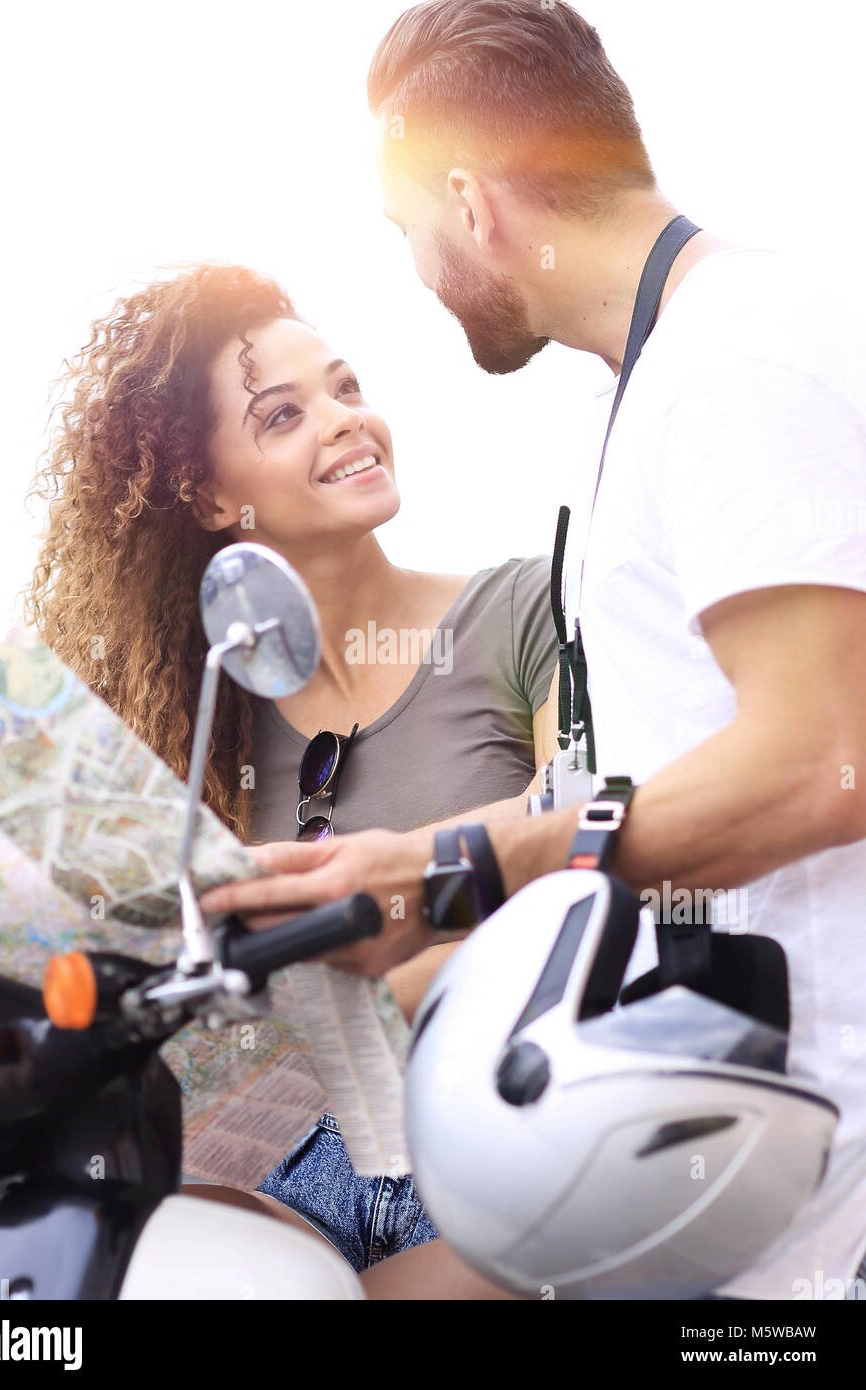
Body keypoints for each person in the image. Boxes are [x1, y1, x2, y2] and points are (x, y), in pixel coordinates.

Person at [200, 0, 866, 1300]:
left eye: (405, 235)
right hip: (698, 1140)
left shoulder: (737, 357)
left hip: (803, 1174)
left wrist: (453, 865)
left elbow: (821, 760)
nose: (416, 271)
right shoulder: (654, 383)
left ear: (469, 200)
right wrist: (395, 869)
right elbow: (640, 771)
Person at [22, 261, 559, 1295]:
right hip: (287, 1183)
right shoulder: (198, 732)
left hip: (494, 1133)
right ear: (209, 494)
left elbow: (584, 827)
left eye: (347, 388)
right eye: (284, 415)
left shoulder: (520, 609)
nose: (344, 422)